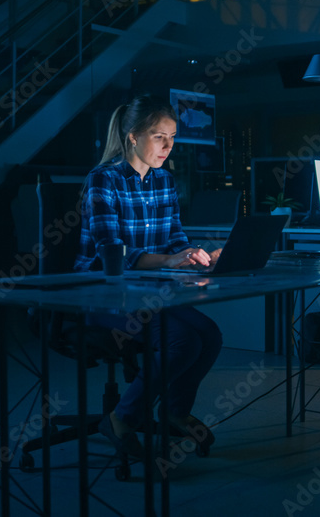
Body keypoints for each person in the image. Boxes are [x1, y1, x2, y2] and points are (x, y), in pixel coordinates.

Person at [75, 94, 222, 458]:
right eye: (159, 136)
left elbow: (175, 239)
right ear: (133, 137)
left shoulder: (163, 181)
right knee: (184, 342)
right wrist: (171, 261)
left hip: (151, 291)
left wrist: (192, 256)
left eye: (172, 137)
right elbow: (112, 251)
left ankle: (173, 412)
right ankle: (122, 418)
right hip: (103, 294)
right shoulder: (103, 180)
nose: (168, 146)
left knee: (209, 334)